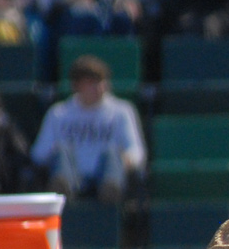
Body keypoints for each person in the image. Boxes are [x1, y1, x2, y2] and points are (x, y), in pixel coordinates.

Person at [31, 54, 146, 202]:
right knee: (62, 151)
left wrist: (125, 159)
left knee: (113, 152)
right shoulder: (58, 113)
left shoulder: (122, 111)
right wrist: (55, 153)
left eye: (102, 82)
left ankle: (110, 194)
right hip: (72, 176)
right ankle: (61, 193)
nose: (99, 88)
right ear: (77, 86)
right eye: (91, 83)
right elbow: (38, 153)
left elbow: (137, 152)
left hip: (107, 177)